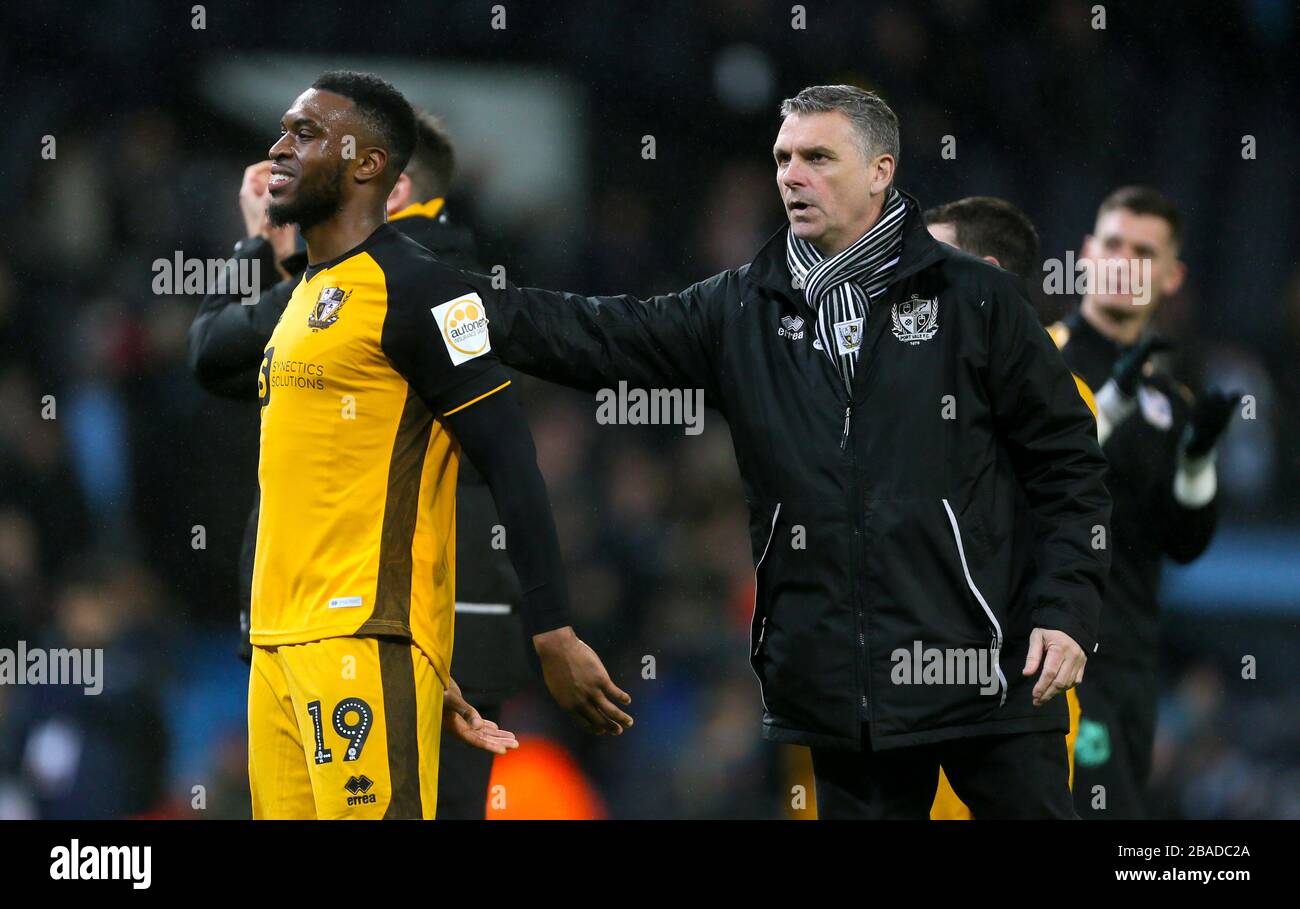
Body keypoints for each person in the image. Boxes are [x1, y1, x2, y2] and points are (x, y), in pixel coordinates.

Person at [467, 84, 1112, 818]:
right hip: (844, 695)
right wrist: (457, 309)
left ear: (880, 171)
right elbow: (602, 334)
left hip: (988, 680)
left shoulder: (976, 300)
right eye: (783, 158)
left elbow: (1068, 464)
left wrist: (1066, 609)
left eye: (817, 157)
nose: (792, 176)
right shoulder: (741, 308)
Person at [243, 70, 631, 819]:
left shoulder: (424, 291)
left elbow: (511, 458)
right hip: (275, 648)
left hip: (363, 637)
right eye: (284, 129)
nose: (278, 148)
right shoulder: (304, 298)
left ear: (368, 165)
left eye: (304, 132)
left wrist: (551, 626)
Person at [189, 110, 530, 819]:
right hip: (433, 613)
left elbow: (214, 353)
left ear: (392, 185)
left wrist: (258, 241)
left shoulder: (384, 280)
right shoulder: (453, 276)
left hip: (364, 614)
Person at [1048, 186, 1237, 818]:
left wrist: (1197, 460)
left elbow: (1185, 543)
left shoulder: (1172, 399)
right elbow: (1034, 486)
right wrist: (1111, 408)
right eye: (1113, 244)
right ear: (1085, 254)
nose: (1124, 261)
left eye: (1144, 251)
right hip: (1046, 649)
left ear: (1172, 275)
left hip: (1130, 656)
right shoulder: (1034, 358)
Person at [922, 195, 1084, 819]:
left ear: (984, 274)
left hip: (1009, 699)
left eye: (930, 260)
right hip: (924, 692)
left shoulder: (1053, 395)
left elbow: (1074, 514)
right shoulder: (926, 383)